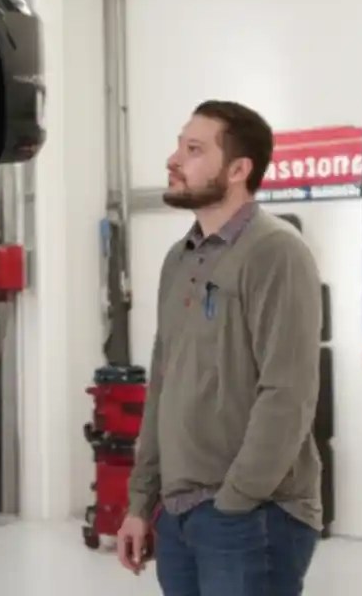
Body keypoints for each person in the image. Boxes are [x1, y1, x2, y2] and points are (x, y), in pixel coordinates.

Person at [116, 100, 324, 596]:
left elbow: (288, 392)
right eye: (178, 145)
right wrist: (141, 503)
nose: (173, 159)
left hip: (251, 516)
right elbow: (163, 382)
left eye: (193, 149)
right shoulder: (178, 259)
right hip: (180, 514)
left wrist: (236, 500)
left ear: (238, 169)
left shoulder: (276, 251)